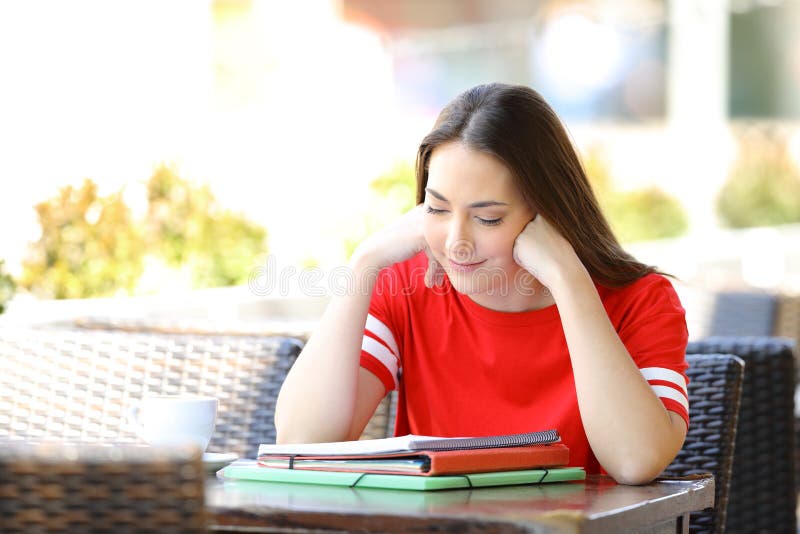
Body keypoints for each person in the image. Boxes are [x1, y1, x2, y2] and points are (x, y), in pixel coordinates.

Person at [274, 83, 689, 485]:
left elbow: (636, 461)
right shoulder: (406, 288)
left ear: (547, 214)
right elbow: (300, 443)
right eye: (437, 209)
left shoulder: (641, 302)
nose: (457, 243)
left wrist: (568, 280)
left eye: (487, 218)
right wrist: (364, 264)